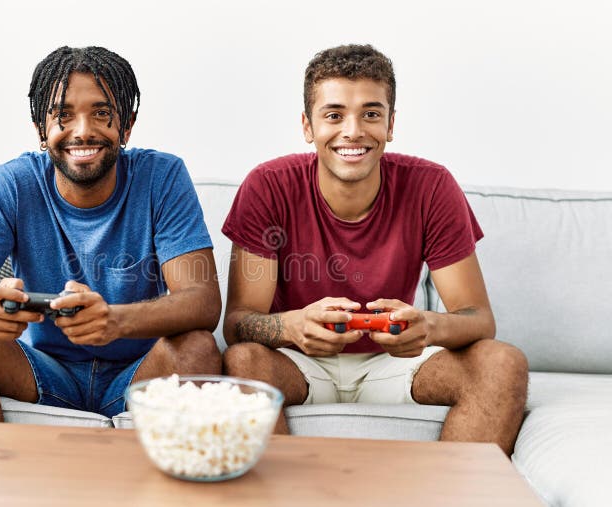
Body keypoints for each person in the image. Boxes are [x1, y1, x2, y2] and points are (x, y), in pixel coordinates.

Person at [220, 44, 528, 456]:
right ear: (307, 127)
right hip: (299, 360)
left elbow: (477, 319)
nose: (353, 131)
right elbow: (238, 325)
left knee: (503, 363)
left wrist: (428, 327)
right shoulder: (268, 186)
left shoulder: (432, 186)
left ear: (391, 123)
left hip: (394, 361)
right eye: (334, 115)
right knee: (243, 361)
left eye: (370, 113)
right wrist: (292, 326)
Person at [0, 46, 222, 421]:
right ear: (41, 130)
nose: (83, 131)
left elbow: (203, 302)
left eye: (101, 114)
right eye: (63, 116)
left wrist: (114, 320)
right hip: (41, 369)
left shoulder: (163, 176)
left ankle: (176, 478)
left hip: (138, 372)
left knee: (197, 348)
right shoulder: (14, 183)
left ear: (125, 126)